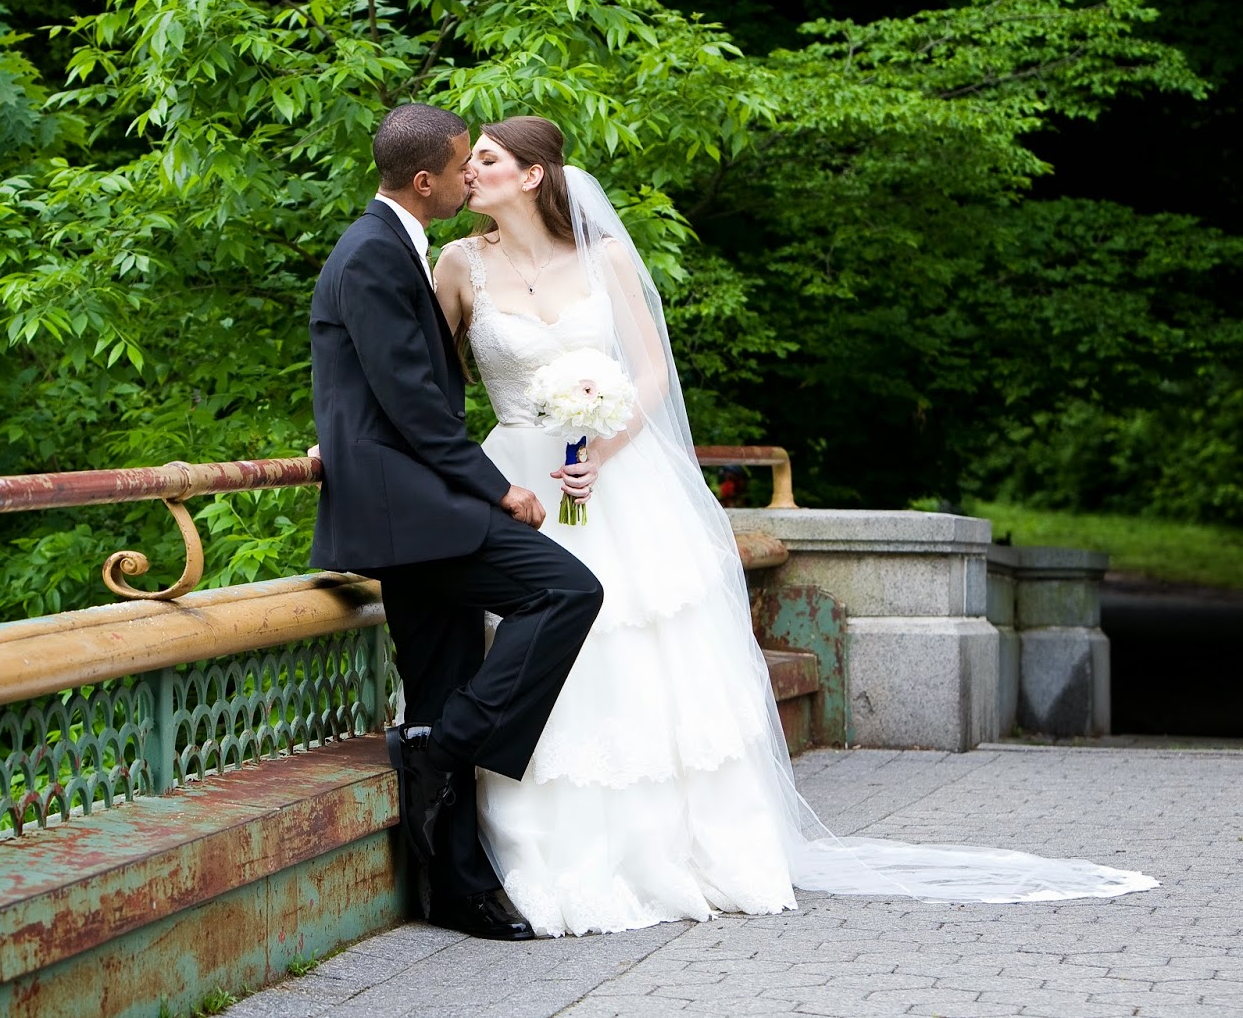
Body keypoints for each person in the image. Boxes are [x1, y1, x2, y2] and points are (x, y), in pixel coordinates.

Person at [430, 115, 1158, 937]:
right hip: (518, 482)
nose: (468, 172)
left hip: (613, 478)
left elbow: (649, 371)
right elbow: (417, 373)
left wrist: (603, 445)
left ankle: (663, 847)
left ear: (532, 175)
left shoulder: (604, 258)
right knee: (540, 640)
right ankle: (537, 846)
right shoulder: (458, 266)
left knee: (638, 653)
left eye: (485, 160)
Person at [308, 103, 604, 941]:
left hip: (414, 504)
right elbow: (409, 398)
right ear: (427, 180)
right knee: (564, 589)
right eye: (459, 162)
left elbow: (376, 379)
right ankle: (444, 743)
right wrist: (497, 488)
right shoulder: (372, 253)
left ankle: (456, 891)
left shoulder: (392, 246)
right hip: (414, 509)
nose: (471, 173)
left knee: (438, 682)